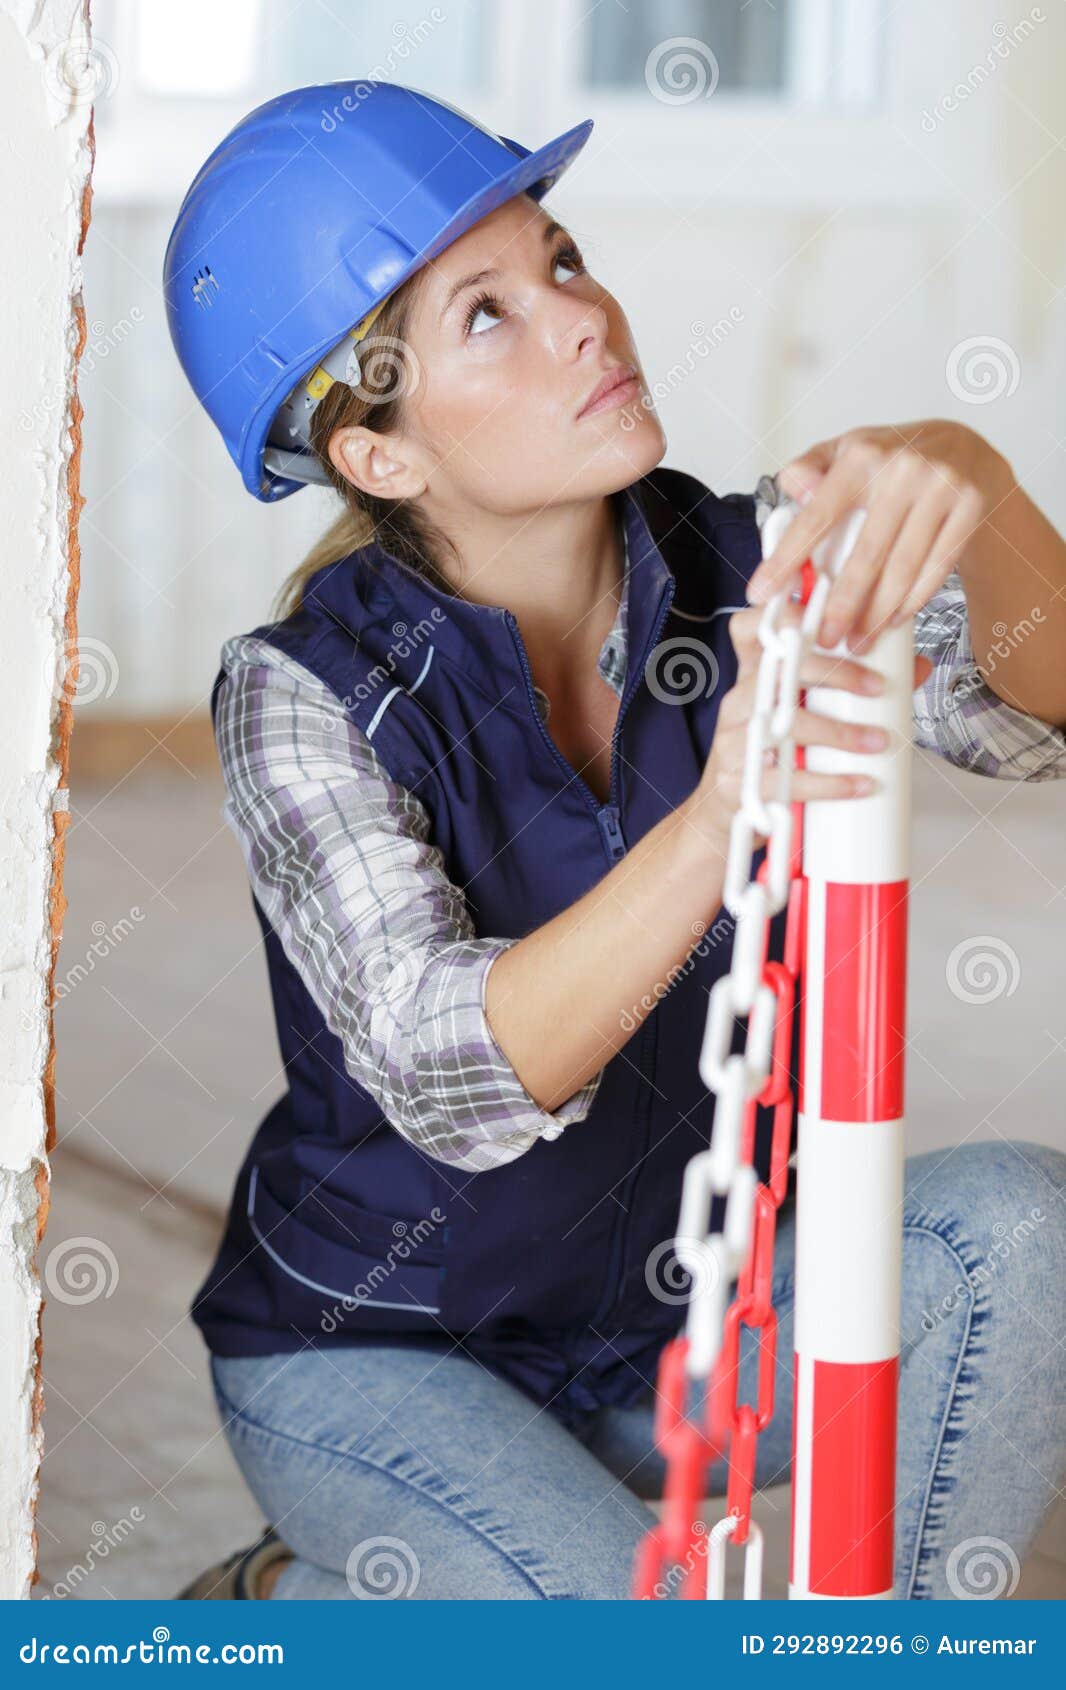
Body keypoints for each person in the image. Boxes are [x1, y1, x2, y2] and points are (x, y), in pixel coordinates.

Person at [164, 81, 1066, 1600]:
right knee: (638, 1645)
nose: (583, 320)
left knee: (1021, 1230)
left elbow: (1033, 716)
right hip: (384, 1354)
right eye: (488, 316)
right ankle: (298, 1604)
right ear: (379, 454)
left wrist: (976, 488)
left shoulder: (751, 568)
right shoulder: (304, 695)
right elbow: (453, 1072)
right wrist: (718, 814)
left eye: (563, 260)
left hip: (682, 1320)